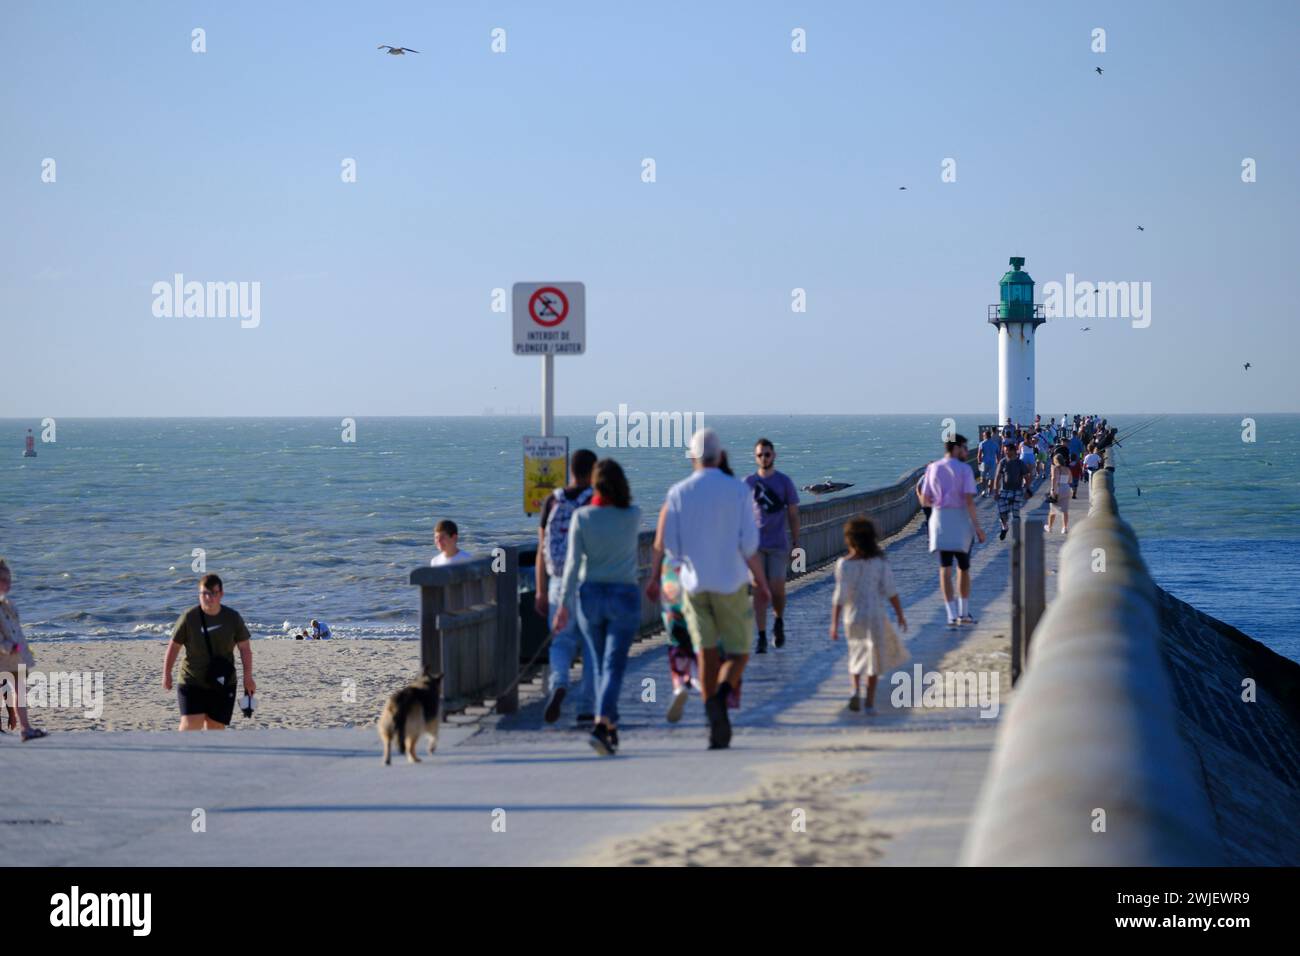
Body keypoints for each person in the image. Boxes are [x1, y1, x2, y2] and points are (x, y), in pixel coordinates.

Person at [647, 428, 771, 750]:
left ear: (693, 457)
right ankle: (719, 701)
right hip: (731, 582)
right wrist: (762, 582)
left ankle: (710, 712)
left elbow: (670, 547)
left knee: (706, 653)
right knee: (740, 652)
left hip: (693, 584)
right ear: (720, 455)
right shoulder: (738, 491)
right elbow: (749, 544)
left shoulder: (677, 493)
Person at [552, 459, 641, 756]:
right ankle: (603, 724)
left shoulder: (583, 516)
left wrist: (563, 605)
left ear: (594, 483)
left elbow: (573, 566)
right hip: (624, 595)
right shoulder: (633, 514)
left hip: (589, 597)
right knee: (613, 665)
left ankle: (608, 725)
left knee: (600, 661)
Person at [536, 449, 597, 724]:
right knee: (590, 646)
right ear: (593, 470)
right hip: (588, 580)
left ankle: (559, 683)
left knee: (560, 643)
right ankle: (586, 708)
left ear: (569, 469)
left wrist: (540, 589)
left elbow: (541, 549)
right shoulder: (595, 501)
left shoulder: (552, 500)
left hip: (558, 581)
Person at [830, 518, 908, 714]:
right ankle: (870, 704)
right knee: (874, 660)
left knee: (856, 654)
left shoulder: (843, 565)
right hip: (875, 616)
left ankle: (855, 689)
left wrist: (834, 624)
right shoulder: (879, 563)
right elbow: (891, 591)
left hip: (852, 618)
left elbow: (839, 597)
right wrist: (900, 615)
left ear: (850, 540)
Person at [163, 574, 255, 731]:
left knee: (215, 727)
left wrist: (248, 677)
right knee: (190, 724)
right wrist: (167, 673)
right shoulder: (189, 617)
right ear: (199, 594)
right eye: (204, 593)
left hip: (223, 681)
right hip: (191, 679)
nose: (208, 597)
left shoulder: (232, 618)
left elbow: (245, 648)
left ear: (221, 594)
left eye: (213, 593)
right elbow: (174, 646)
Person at [918, 435, 986, 627]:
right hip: (960, 518)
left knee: (944, 568)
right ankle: (964, 613)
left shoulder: (933, 468)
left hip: (939, 518)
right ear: (956, 448)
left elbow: (925, 499)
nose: (966, 452)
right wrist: (978, 527)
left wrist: (933, 518)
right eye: (964, 448)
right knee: (963, 567)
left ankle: (951, 615)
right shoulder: (964, 469)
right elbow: (970, 501)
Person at [744, 438, 800, 654]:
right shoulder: (748, 483)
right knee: (759, 592)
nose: (764, 458)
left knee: (777, 589)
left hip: (778, 545)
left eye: (767, 454)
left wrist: (796, 542)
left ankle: (778, 620)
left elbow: (793, 514)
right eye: (760, 455)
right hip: (755, 546)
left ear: (774, 455)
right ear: (755, 457)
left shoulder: (784, 482)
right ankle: (761, 636)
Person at [0, 558, 47, 740]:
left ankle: (25, 728)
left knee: (20, 692)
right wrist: (7, 647)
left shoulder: (9, 604)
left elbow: (16, 631)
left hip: (17, 658)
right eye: (2, 580)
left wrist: (23, 651)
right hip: (4, 657)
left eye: (8, 580)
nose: (6, 583)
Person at [992, 440, 1032, 542]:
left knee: (1015, 513)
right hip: (1004, 490)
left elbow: (1027, 476)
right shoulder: (1003, 462)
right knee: (1002, 512)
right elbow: (997, 477)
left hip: (1017, 490)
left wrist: (1027, 489)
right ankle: (1004, 527)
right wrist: (996, 491)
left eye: (1007, 451)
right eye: (1004, 451)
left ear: (1014, 451)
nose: (1005, 453)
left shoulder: (1020, 463)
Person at [1046, 452, 1071, 534]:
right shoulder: (1067, 469)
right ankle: (1064, 528)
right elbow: (1070, 480)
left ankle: (1049, 527)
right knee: (1065, 510)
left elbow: (1054, 478)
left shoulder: (1055, 468)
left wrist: (1053, 490)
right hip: (1066, 488)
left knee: (1053, 510)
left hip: (1058, 488)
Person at [977, 430, 1001, 498]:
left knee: (983, 477)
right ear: (990, 436)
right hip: (993, 462)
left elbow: (979, 455)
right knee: (992, 478)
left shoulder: (982, 443)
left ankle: (984, 491)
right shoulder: (995, 443)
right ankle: (990, 492)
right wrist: (998, 462)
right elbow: (998, 454)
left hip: (984, 462)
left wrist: (979, 463)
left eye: (983, 435)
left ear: (985, 436)